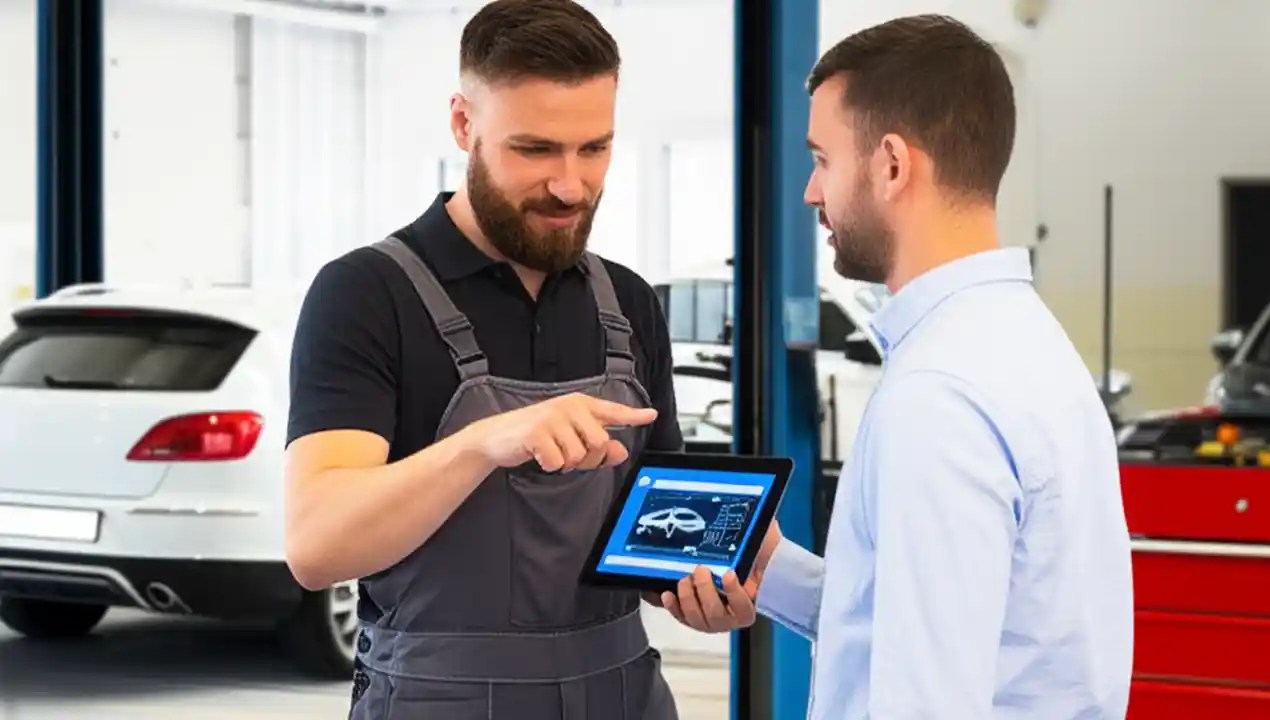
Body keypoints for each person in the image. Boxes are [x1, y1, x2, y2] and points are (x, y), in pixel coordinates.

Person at [658, 14, 1135, 719]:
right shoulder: (1023, 343)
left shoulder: (940, 395)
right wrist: (773, 569)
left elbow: (925, 699)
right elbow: (944, 627)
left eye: (822, 160)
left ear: (891, 165)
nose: (810, 192)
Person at [282, 1, 684, 718]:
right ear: (464, 123)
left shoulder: (629, 303)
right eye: (535, 150)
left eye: (594, 148)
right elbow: (317, 546)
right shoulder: (366, 294)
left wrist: (702, 587)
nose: (570, 185)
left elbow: (658, 541)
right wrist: (482, 444)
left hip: (626, 694)